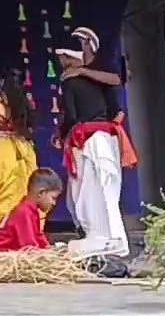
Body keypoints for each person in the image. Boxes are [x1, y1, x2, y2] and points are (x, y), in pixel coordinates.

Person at [54, 47, 135, 259]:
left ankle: (99, 240)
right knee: (107, 192)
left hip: (87, 141)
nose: (60, 61)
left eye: (62, 57)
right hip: (107, 141)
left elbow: (72, 115)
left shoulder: (71, 81)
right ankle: (115, 240)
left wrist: (61, 134)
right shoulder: (100, 82)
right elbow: (118, 111)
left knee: (86, 192)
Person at [0, 70, 40, 233]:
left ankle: (2, 236)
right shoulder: (25, 102)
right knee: (24, 190)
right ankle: (25, 233)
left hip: (3, 149)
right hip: (25, 150)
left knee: (0, 191)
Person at [0, 168, 62, 252]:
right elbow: (29, 247)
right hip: (1, 255)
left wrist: (49, 249)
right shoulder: (24, 212)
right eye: (53, 198)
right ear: (41, 193)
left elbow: (38, 236)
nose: (54, 203)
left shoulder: (31, 211)